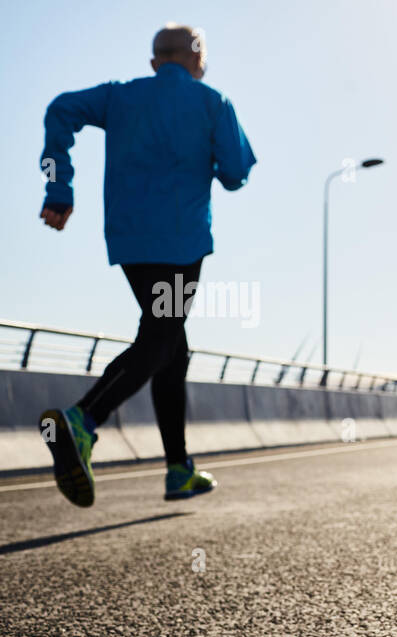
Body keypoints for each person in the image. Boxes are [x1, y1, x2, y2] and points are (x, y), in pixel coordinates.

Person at [38, 23, 255, 507]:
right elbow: (237, 174)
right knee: (160, 338)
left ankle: (178, 469)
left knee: (172, 348)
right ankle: (83, 419)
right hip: (181, 246)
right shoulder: (212, 102)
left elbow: (59, 110)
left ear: (156, 62)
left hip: (130, 242)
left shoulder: (119, 97)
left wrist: (59, 186)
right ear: (198, 57)